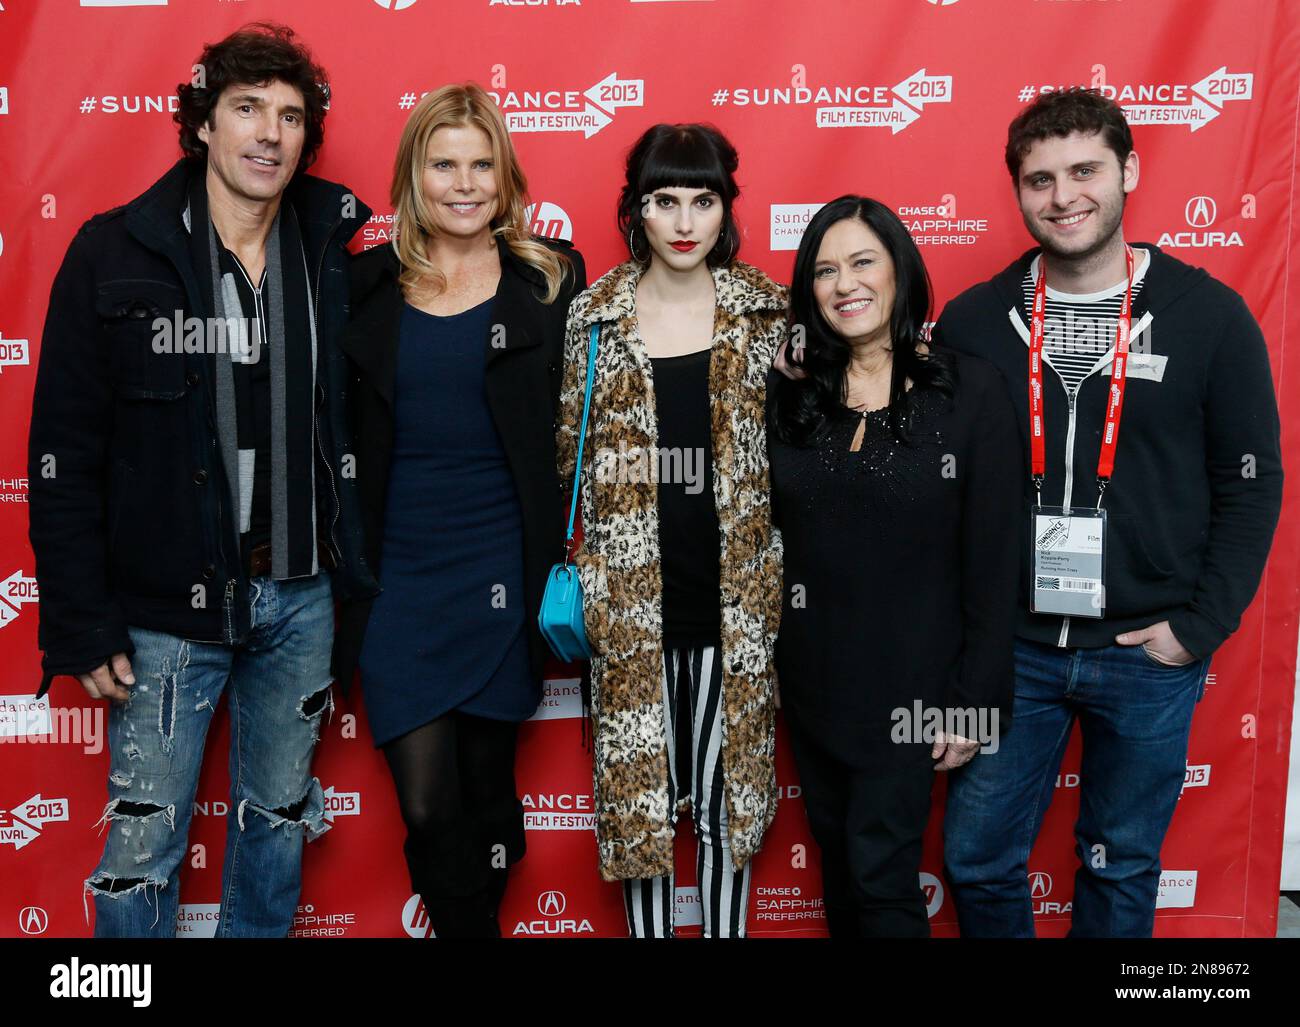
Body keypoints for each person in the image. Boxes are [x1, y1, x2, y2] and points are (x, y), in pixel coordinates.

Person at [27, 23, 377, 937]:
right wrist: (79, 617)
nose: (271, 132)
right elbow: (62, 454)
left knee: (276, 830)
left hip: (301, 600)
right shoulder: (115, 254)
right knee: (140, 854)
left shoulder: (331, 251)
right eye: (249, 108)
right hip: (164, 615)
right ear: (204, 125)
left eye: (292, 115)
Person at [933, 88, 1284, 937]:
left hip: (1147, 653)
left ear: (1128, 169)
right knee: (978, 857)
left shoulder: (1210, 316)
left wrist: (1199, 626)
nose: (1063, 197)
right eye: (1039, 178)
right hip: (1009, 651)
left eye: (1084, 170)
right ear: (1017, 190)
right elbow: (937, 488)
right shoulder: (975, 321)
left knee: (1121, 863)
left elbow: (1251, 481)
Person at [332, 84, 585, 938]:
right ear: (414, 175)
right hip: (399, 578)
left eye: (483, 164)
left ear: (507, 176)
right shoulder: (362, 286)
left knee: (487, 799)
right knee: (431, 805)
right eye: (445, 164)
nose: (465, 183)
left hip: (501, 575)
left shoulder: (551, 279)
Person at [767, 196, 1023, 937]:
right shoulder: (796, 398)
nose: (844, 283)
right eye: (823, 270)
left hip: (913, 690)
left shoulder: (967, 392)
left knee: (882, 875)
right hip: (814, 685)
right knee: (842, 870)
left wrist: (977, 700)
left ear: (900, 271)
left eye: (861, 261)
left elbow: (995, 556)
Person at [556, 124, 784, 937]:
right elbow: (561, 462)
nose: (685, 221)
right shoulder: (593, 319)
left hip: (740, 620)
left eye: (704, 199)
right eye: (665, 201)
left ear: (725, 208)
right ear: (636, 210)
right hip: (629, 623)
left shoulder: (767, 315)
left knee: (730, 822)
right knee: (644, 829)